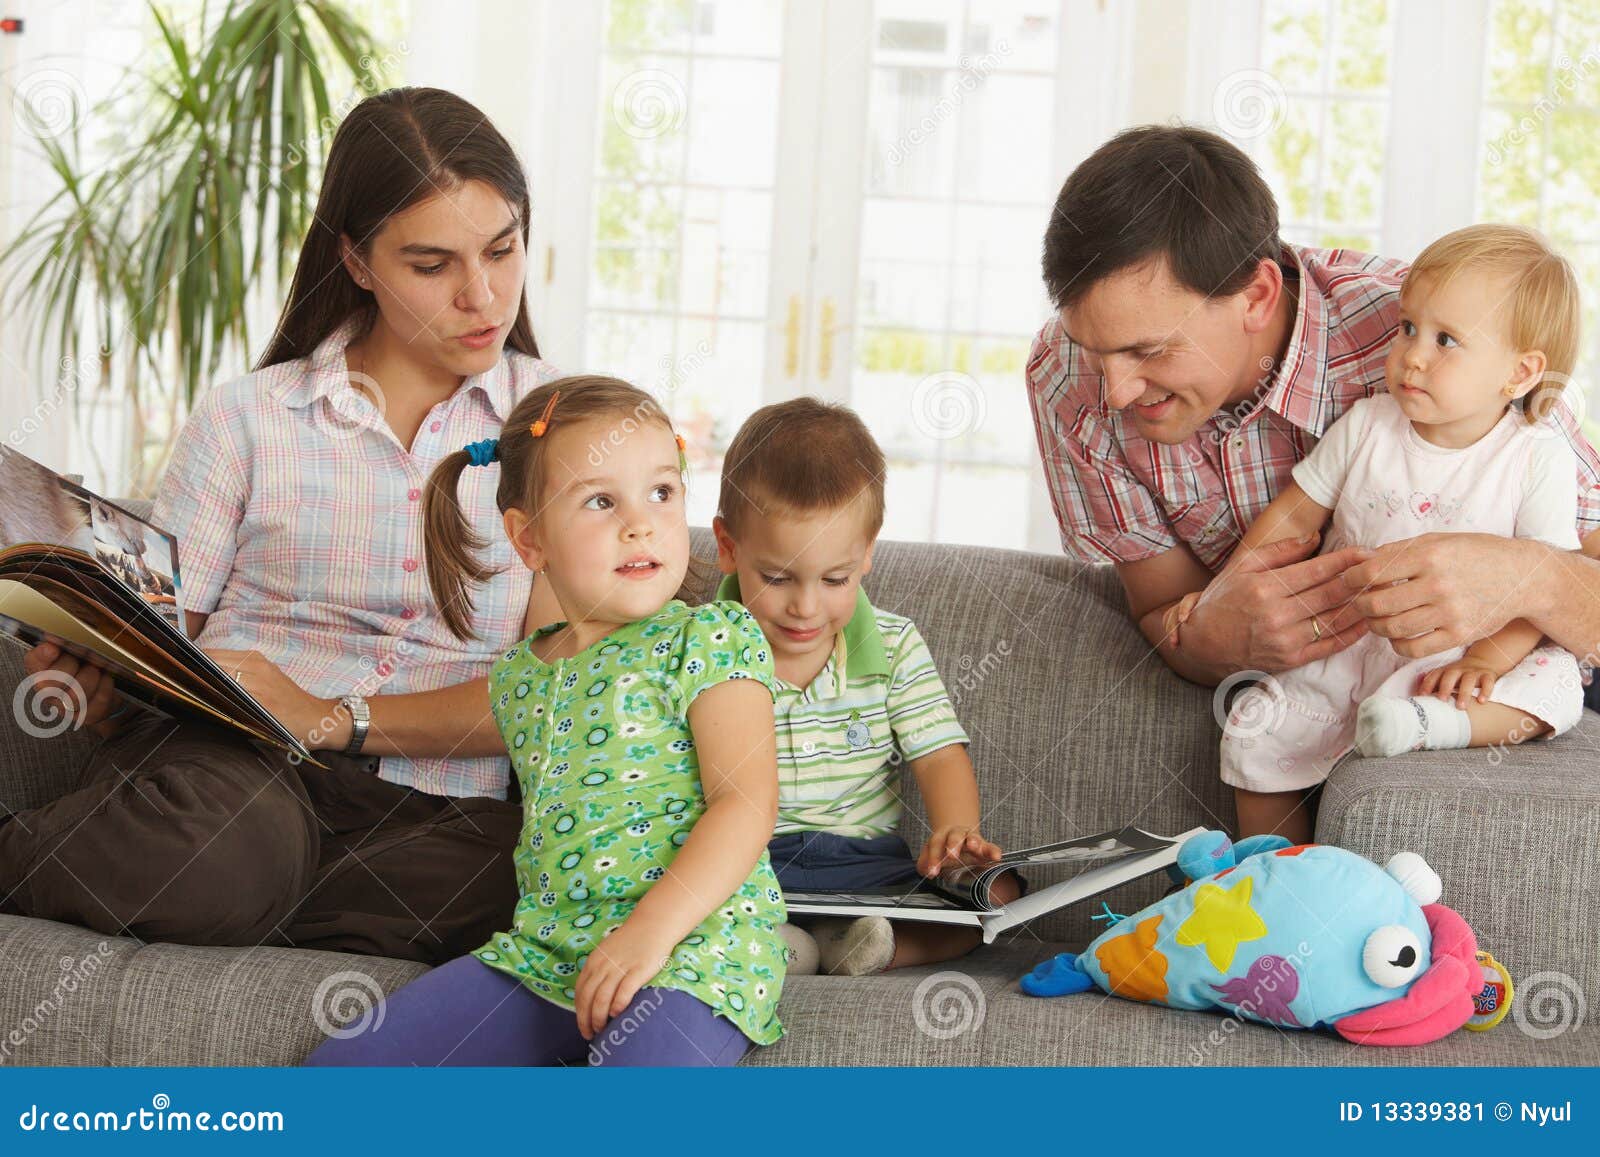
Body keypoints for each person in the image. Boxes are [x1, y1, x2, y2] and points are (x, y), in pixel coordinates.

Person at [0, 88, 564, 962]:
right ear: (359, 260)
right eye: (431, 264)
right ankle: (208, 872)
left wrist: (334, 716)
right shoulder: (248, 418)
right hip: (239, 773)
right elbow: (165, 641)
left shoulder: (562, 426)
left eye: (502, 248)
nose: (481, 294)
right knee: (229, 852)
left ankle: (214, 884)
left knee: (545, 888)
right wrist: (106, 677)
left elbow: (557, 690)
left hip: (439, 813)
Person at [305, 376, 786, 1066]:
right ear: (529, 540)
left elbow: (746, 804)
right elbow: (450, 719)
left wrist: (648, 934)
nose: (640, 522)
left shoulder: (711, 636)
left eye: (662, 491)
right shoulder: (519, 675)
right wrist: (329, 718)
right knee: (342, 1070)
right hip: (548, 955)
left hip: (695, 951)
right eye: (600, 500)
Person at [1026, 125, 1600, 692]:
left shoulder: (1426, 340)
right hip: (1316, 695)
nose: (1117, 392)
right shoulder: (1066, 379)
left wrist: (1534, 578)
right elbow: (1163, 611)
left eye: (1148, 350)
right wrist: (1211, 640)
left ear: (1257, 297)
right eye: (1095, 350)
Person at [1167, 225, 1588, 841]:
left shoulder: (1536, 458)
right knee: (1260, 723)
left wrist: (1484, 661)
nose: (1413, 354)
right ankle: (1275, 865)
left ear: (1519, 374)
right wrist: (1221, 594)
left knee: (1554, 688)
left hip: (1468, 652)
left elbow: (1538, 590)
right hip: (1350, 639)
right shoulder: (1367, 426)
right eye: (1408, 328)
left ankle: (1432, 724)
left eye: (1447, 340)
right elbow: (1292, 517)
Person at [711, 398, 1021, 977]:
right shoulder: (700, 649)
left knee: (998, 897)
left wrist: (956, 832)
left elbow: (939, 757)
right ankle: (789, 945)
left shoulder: (894, 645)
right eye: (777, 578)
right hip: (740, 861)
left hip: (866, 864)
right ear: (728, 546)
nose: (805, 607)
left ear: (868, 552)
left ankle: (856, 946)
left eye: (835, 579)